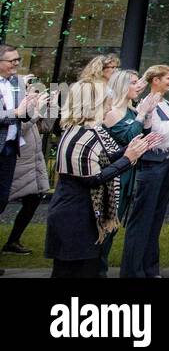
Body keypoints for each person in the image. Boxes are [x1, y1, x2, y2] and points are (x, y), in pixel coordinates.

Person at [45, 81, 159, 278]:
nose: (109, 106)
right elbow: (93, 178)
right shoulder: (80, 136)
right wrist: (127, 159)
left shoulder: (85, 131)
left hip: (81, 216)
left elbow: (102, 159)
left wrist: (132, 150)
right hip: (74, 219)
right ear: (93, 105)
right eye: (106, 102)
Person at [120, 64, 169, 278]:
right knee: (143, 218)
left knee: (156, 217)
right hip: (152, 164)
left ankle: (150, 268)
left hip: (168, 162)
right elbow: (156, 136)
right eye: (168, 78)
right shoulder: (148, 103)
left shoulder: (167, 104)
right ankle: (133, 271)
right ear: (155, 80)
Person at [99, 68, 147, 274]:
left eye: (138, 82)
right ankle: (97, 269)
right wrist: (142, 114)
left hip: (129, 174)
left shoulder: (132, 111)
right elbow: (129, 137)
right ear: (120, 85)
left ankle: (101, 266)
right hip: (114, 176)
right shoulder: (111, 113)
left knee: (115, 226)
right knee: (106, 225)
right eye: (133, 82)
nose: (137, 86)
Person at [1, 73, 55, 258]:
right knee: (3, 200)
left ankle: (13, 240)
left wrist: (51, 106)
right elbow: (18, 128)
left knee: (33, 200)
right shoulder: (16, 106)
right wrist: (33, 112)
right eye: (31, 88)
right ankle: (10, 242)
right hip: (17, 161)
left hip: (32, 162)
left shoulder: (30, 105)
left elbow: (45, 128)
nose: (34, 91)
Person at [0, 44, 41, 277]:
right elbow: (10, 114)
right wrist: (15, 113)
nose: (16, 63)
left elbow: (21, 114)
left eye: (17, 60)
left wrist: (32, 105)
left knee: (2, 201)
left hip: (9, 150)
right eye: (11, 60)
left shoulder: (16, 83)